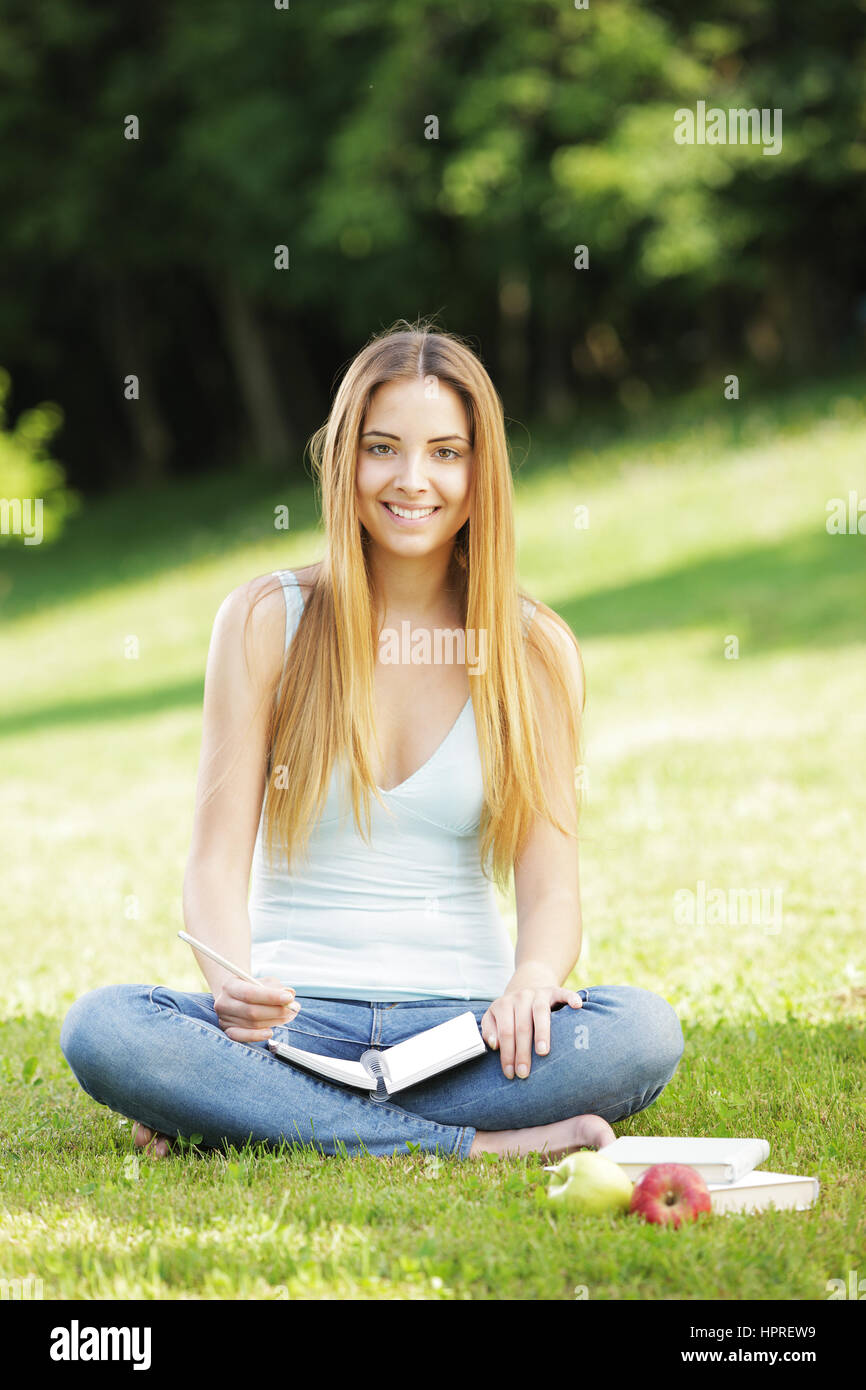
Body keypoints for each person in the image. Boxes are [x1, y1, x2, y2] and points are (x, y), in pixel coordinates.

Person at [60, 321, 683, 1162]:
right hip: (290, 1023)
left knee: (642, 1033)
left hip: (465, 1033)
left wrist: (534, 979)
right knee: (106, 1029)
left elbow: (551, 890)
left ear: (480, 470)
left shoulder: (535, 649)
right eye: (383, 448)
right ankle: (466, 1148)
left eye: (446, 453)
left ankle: (258, 1120)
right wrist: (230, 985)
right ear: (345, 460)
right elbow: (213, 860)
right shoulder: (264, 621)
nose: (413, 480)